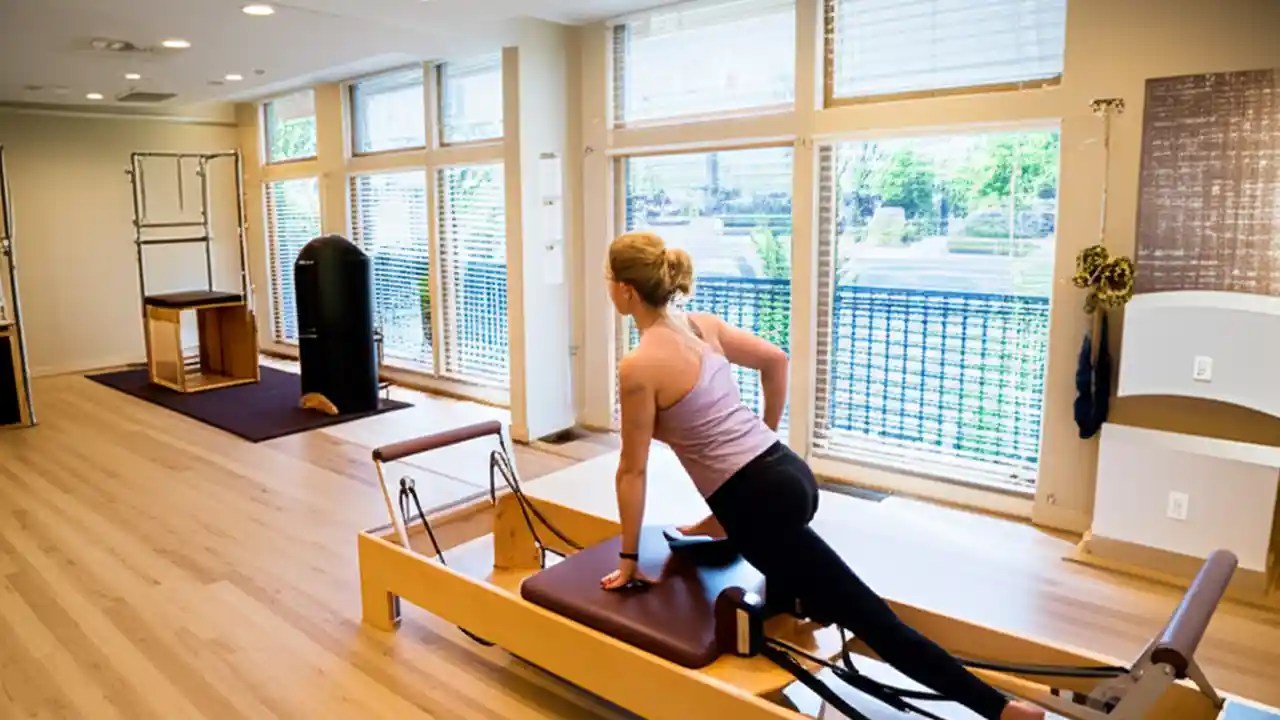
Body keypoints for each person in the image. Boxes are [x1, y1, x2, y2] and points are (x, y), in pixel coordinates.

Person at [600, 230, 1045, 720]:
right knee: (769, 551)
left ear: (625, 290)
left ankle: (1002, 710)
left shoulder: (638, 365)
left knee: (872, 617)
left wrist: (628, 560)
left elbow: (631, 469)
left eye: (608, 278)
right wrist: (765, 434)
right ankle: (795, 590)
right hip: (789, 473)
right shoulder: (702, 326)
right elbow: (776, 361)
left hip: (754, 502)